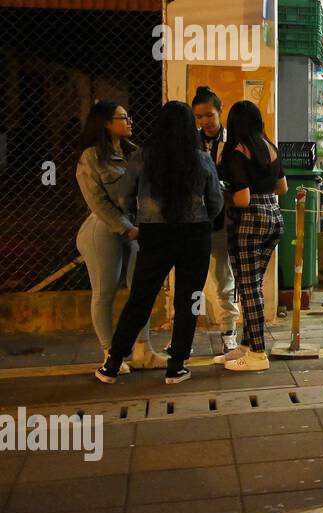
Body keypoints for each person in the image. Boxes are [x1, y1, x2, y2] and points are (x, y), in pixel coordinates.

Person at [95, 101, 222, 385]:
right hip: (195, 234)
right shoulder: (201, 159)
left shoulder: (142, 157)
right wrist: (202, 219)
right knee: (189, 299)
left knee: (140, 297)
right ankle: (176, 366)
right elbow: (215, 201)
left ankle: (112, 365)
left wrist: (139, 218)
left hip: (155, 234)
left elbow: (123, 198)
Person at [75, 101, 163, 372]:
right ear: (105, 123)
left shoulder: (135, 153)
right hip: (103, 231)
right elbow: (98, 202)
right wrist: (127, 228)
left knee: (141, 289)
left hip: (135, 230)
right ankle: (109, 354)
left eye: (128, 116)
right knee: (105, 292)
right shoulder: (90, 157)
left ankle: (143, 350)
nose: (129, 121)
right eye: (123, 117)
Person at [219, 101, 288, 372]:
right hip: (273, 217)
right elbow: (282, 188)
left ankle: (258, 353)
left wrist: (225, 194)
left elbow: (243, 198)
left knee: (249, 288)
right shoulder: (270, 147)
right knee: (254, 285)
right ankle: (247, 345)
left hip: (248, 223)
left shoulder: (237, 153)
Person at [192, 86, 239, 355]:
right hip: (197, 219)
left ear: (220, 111)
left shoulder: (231, 141)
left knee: (224, 277)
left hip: (225, 217)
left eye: (209, 115)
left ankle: (228, 332)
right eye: (199, 117)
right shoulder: (192, 141)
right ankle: (184, 333)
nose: (205, 122)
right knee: (194, 278)